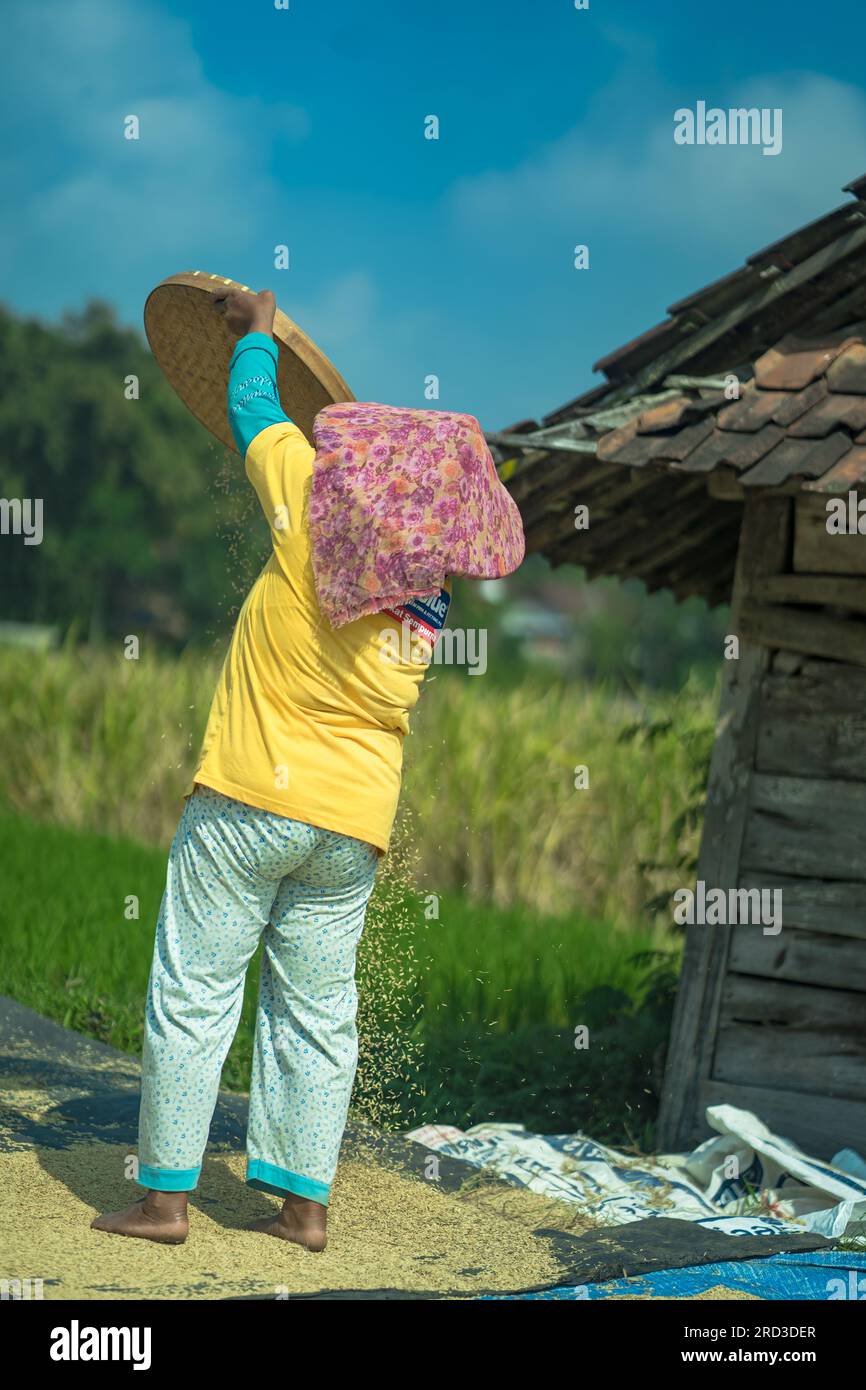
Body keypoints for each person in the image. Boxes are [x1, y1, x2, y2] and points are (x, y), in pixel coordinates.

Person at [91, 288, 451, 1252]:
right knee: (318, 1014)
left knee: (194, 992)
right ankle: (304, 1209)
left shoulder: (314, 505)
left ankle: (165, 1202)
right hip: (353, 826)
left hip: (251, 796)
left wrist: (256, 335)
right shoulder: (428, 594)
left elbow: (256, 409)